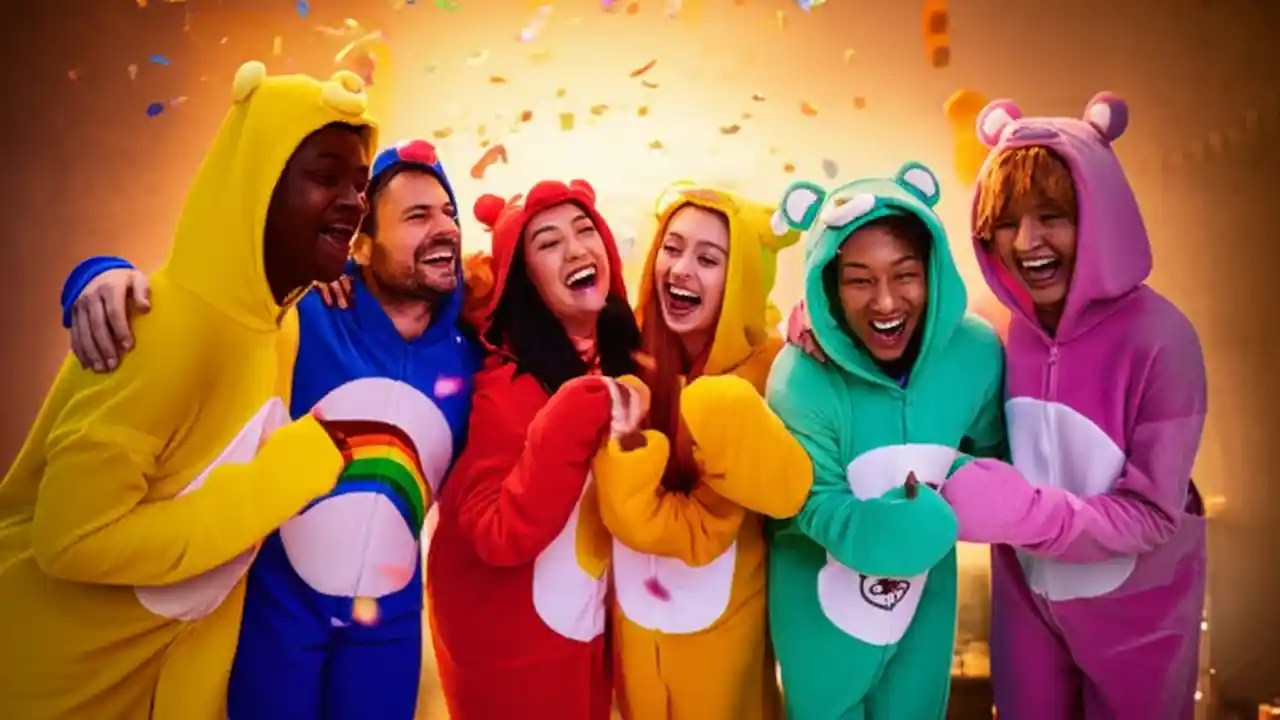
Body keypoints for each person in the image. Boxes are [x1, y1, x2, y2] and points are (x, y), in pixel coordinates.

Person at [0, 61, 376, 719]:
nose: (353, 201)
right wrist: (287, 475)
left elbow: (209, 570)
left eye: (360, 183)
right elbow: (72, 540)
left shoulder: (278, 328)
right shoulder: (161, 323)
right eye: (324, 177)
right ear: (255, 185)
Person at [55, 138, 478, 719]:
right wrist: (100, 277)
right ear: (363, 243)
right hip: (277, 613)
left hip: (388, 629)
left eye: (448, 213)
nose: (444, 228)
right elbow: (205, 294)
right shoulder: (306, 311)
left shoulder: (473, 350)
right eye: (417, 216)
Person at [939, 93, 1208, 719]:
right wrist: (818, 324)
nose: (1027, 241)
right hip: (1028, 612)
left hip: (1138, 624)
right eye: (1006, 222)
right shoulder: (995, 333)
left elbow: (1151, 517)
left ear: (1101, 215)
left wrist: (1027, 515)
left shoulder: (1163, 340)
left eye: (1053, 215)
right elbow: (897, 340)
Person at [767, 162, 1006, 719]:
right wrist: (917, 526)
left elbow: (998, 449)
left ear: (933, 272)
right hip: (819, 620)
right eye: (858, 279)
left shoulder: (974, 353)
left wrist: (977, 489)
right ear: (828, 285)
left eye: (905, 274)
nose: (885, 301)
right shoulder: (799, 378)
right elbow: (815, 504)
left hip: (924, 614)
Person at [427, 179, 645, 720]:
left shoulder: (625, 356)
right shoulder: (506, 384)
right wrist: (580, 408)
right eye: (547, 243)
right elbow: (494, 531)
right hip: (512, 654)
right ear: (525, 282)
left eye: (584, 230)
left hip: (584, 631)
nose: (575, 249)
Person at [591, 183, 811, 720]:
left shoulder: (766, 377)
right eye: (672, 247)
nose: (681, 269)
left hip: (722, 654)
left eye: (708, 259)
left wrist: (626, 447)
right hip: (637, 646)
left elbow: (699, 529)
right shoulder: (628, 360)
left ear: (737, 281)